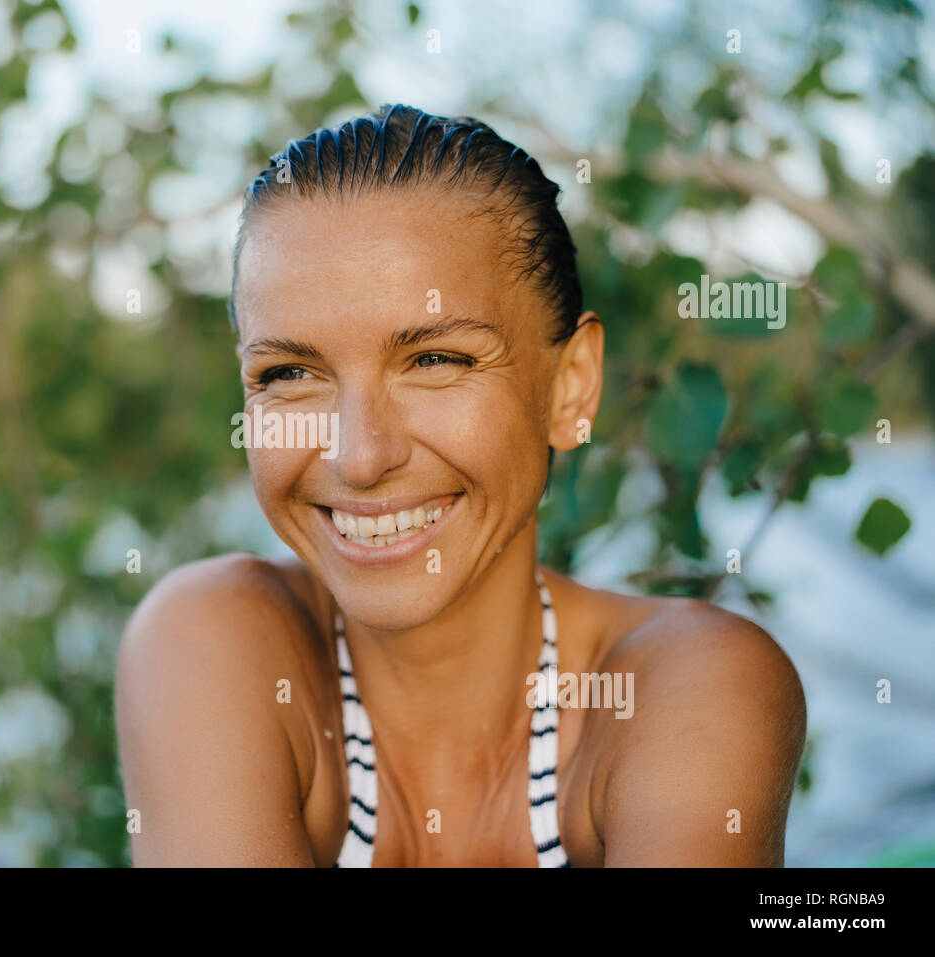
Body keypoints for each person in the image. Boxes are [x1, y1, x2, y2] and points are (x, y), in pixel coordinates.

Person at [115, 104, 806, 867]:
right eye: (289, 374)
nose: (359, 456)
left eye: (436, 360)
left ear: (570, 387)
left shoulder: (688, 682)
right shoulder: (212, 638)